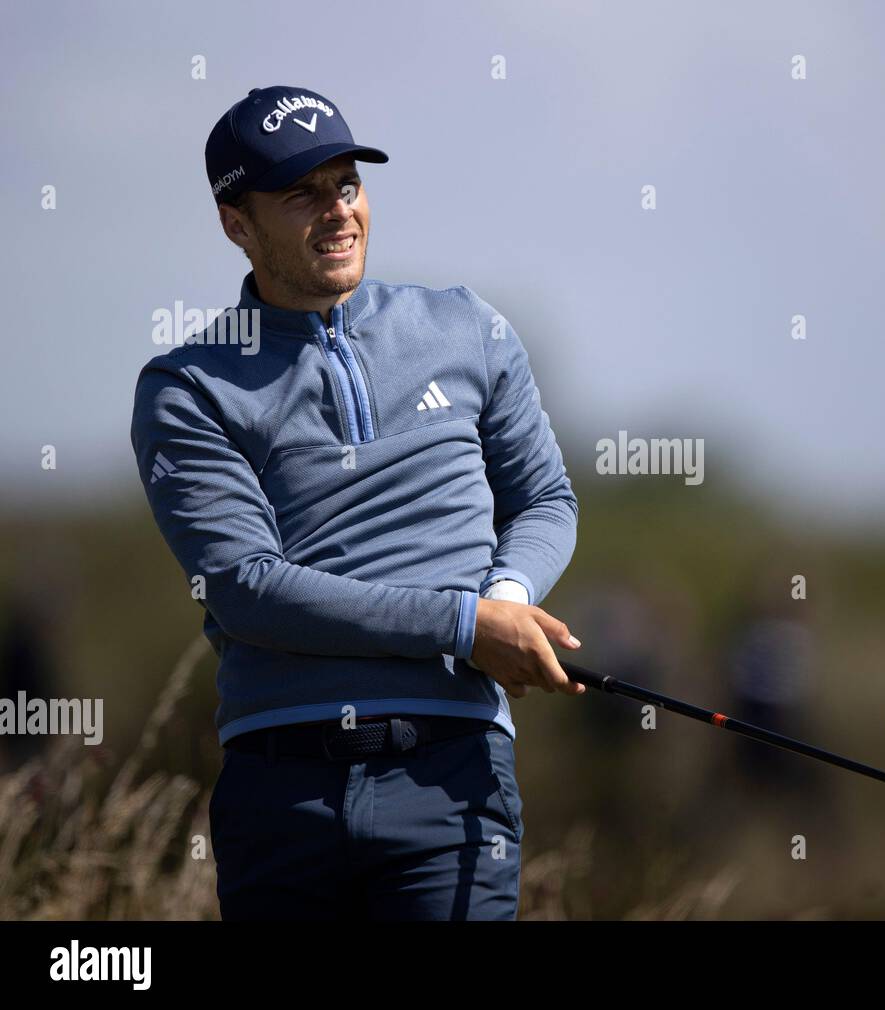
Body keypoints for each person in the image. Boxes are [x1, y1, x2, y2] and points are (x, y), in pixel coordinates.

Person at [130, 85, 585, 920]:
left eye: (346, 184)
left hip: (452, 778)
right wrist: (462, 626)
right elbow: (247, 589)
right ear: (236, 222)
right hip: (283, 790)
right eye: (300, 193)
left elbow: (546, 500)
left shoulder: (467, 327)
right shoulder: (188, 387)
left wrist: (506, 600)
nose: (337, 212)